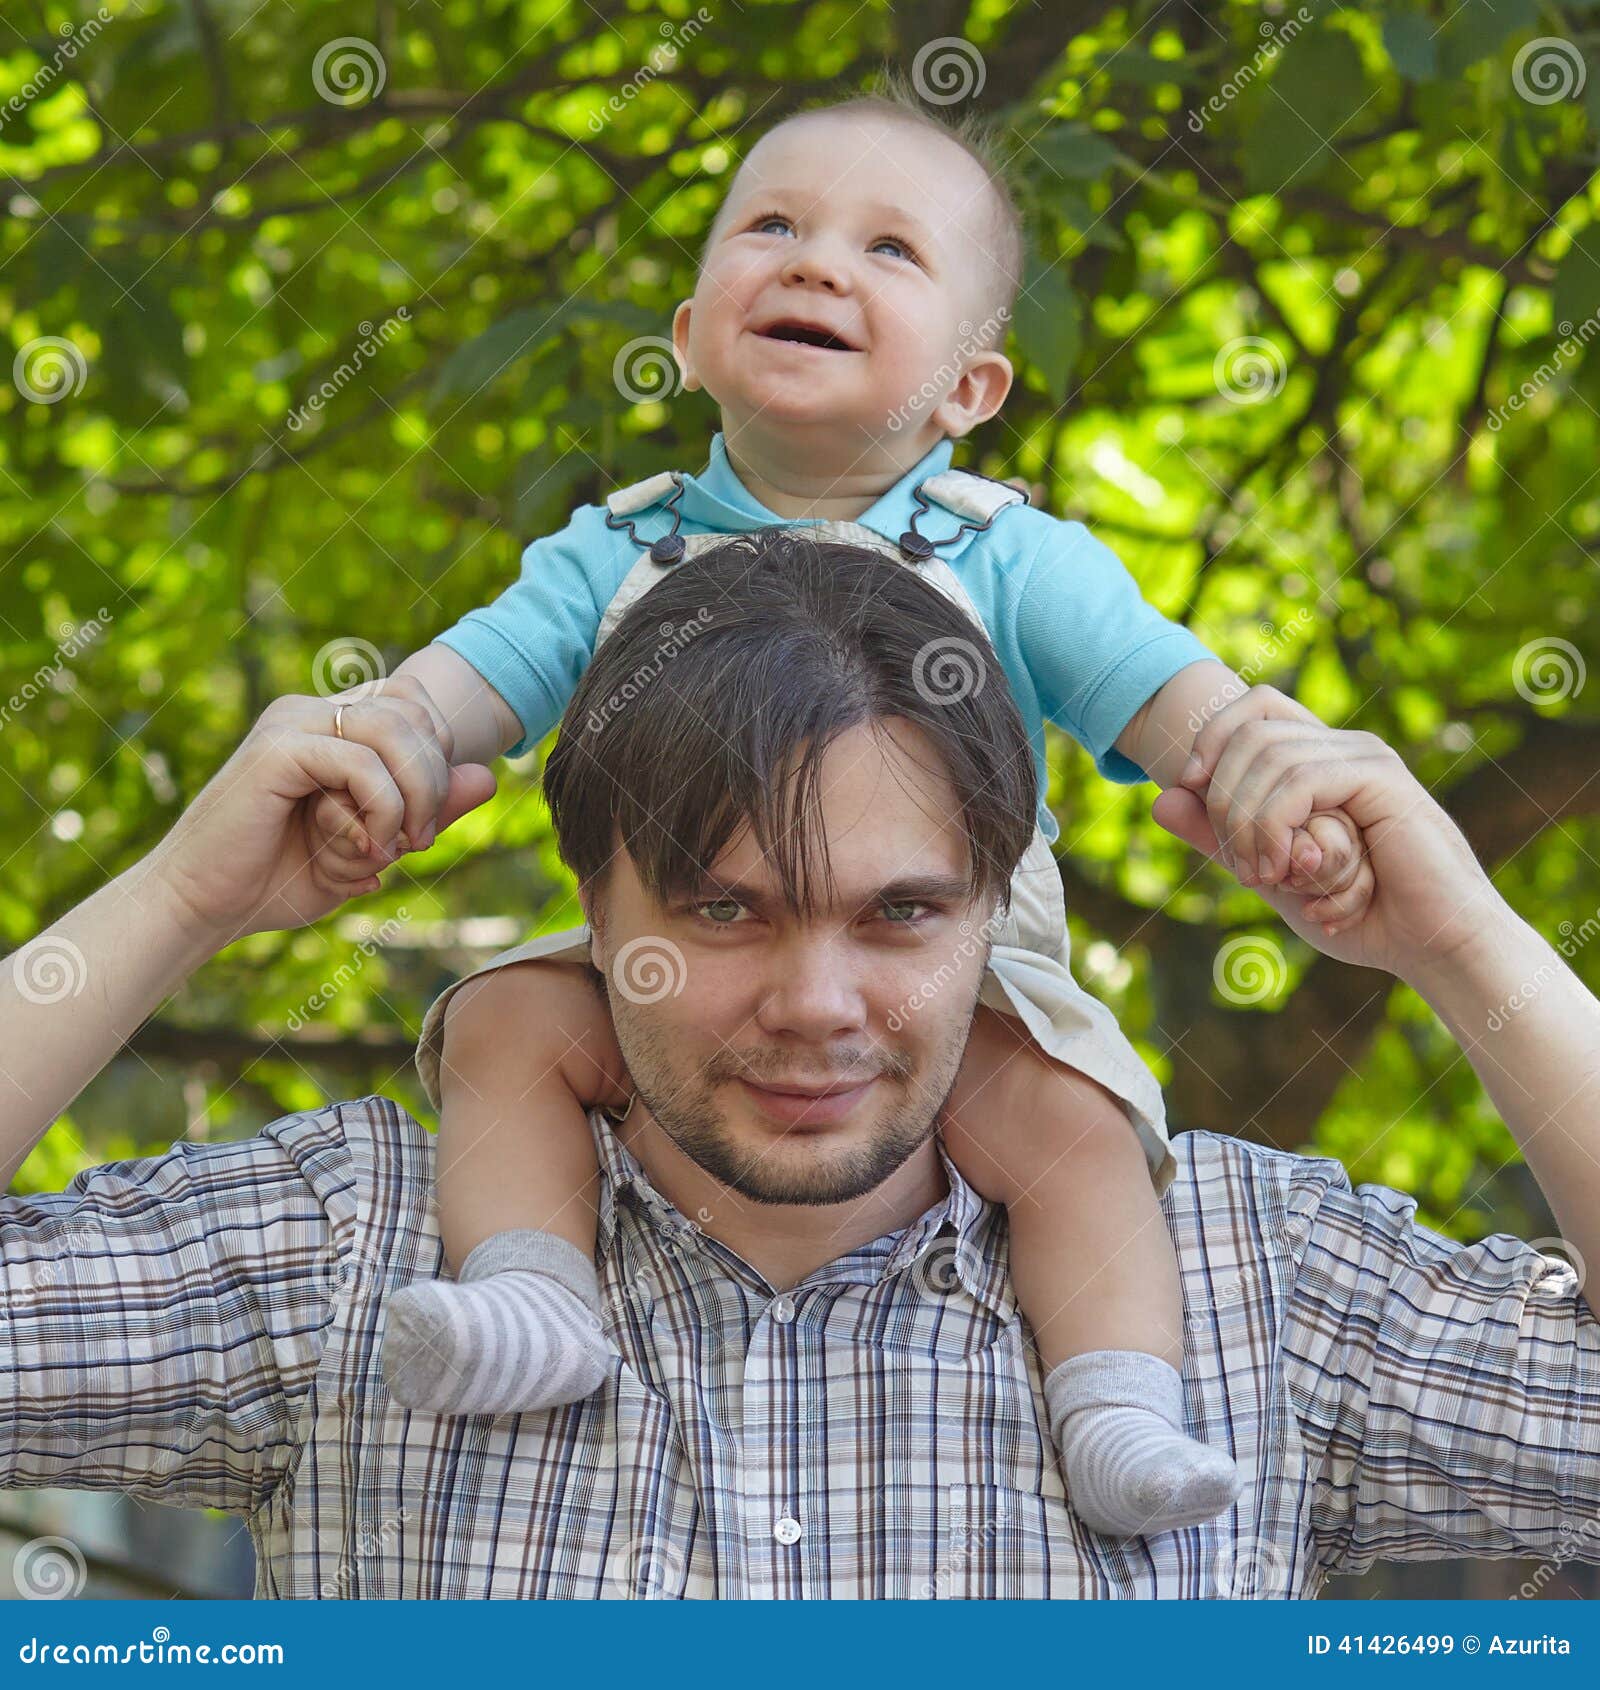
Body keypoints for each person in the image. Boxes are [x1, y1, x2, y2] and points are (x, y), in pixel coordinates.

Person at [1, 534, 1594, 1600]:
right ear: (590, 903)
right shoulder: (344, 1259)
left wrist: (1463, 942)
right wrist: (180, 896)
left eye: (902, 912)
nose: (816, 1002)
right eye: (722, 909)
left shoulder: (1253, 1282)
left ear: (996, 912)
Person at [301, 81, 1371, 1538]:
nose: (816, 263)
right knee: (499, 1026)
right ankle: (534, 1291)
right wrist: (387, 749)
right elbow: (458, 687)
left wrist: (1268, 778)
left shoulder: (1011, 557)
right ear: (686, 337)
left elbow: (1184, 704)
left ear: (971, 390)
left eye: (889, 250)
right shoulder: (619, 548)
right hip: (676, 966)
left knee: (1073, 1125)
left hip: (951, 983)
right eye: (775, 227)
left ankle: (1118, 1394)